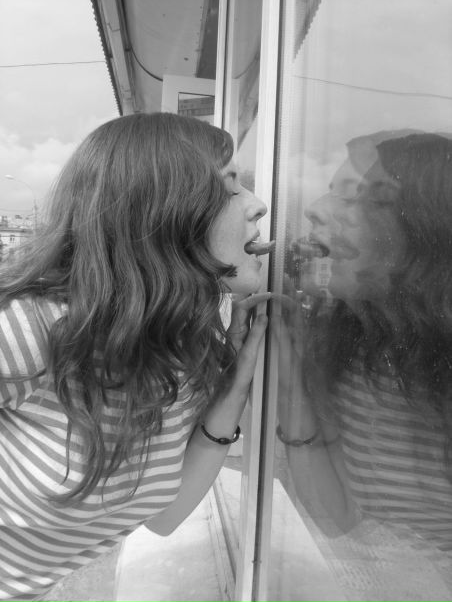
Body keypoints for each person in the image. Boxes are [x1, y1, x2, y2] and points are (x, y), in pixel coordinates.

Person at [0, 112, 274, 601]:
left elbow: (165, 517)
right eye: (231, 187)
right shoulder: (34, 326)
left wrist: (234, 384)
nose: (259, 204)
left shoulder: (182, 350)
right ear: (163, 213)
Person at [276, 131, 452, 571]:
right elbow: (342, 520)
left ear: (428, 232)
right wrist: (290, 377)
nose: (316, 208)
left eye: (373, 200)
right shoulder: (356, 346)